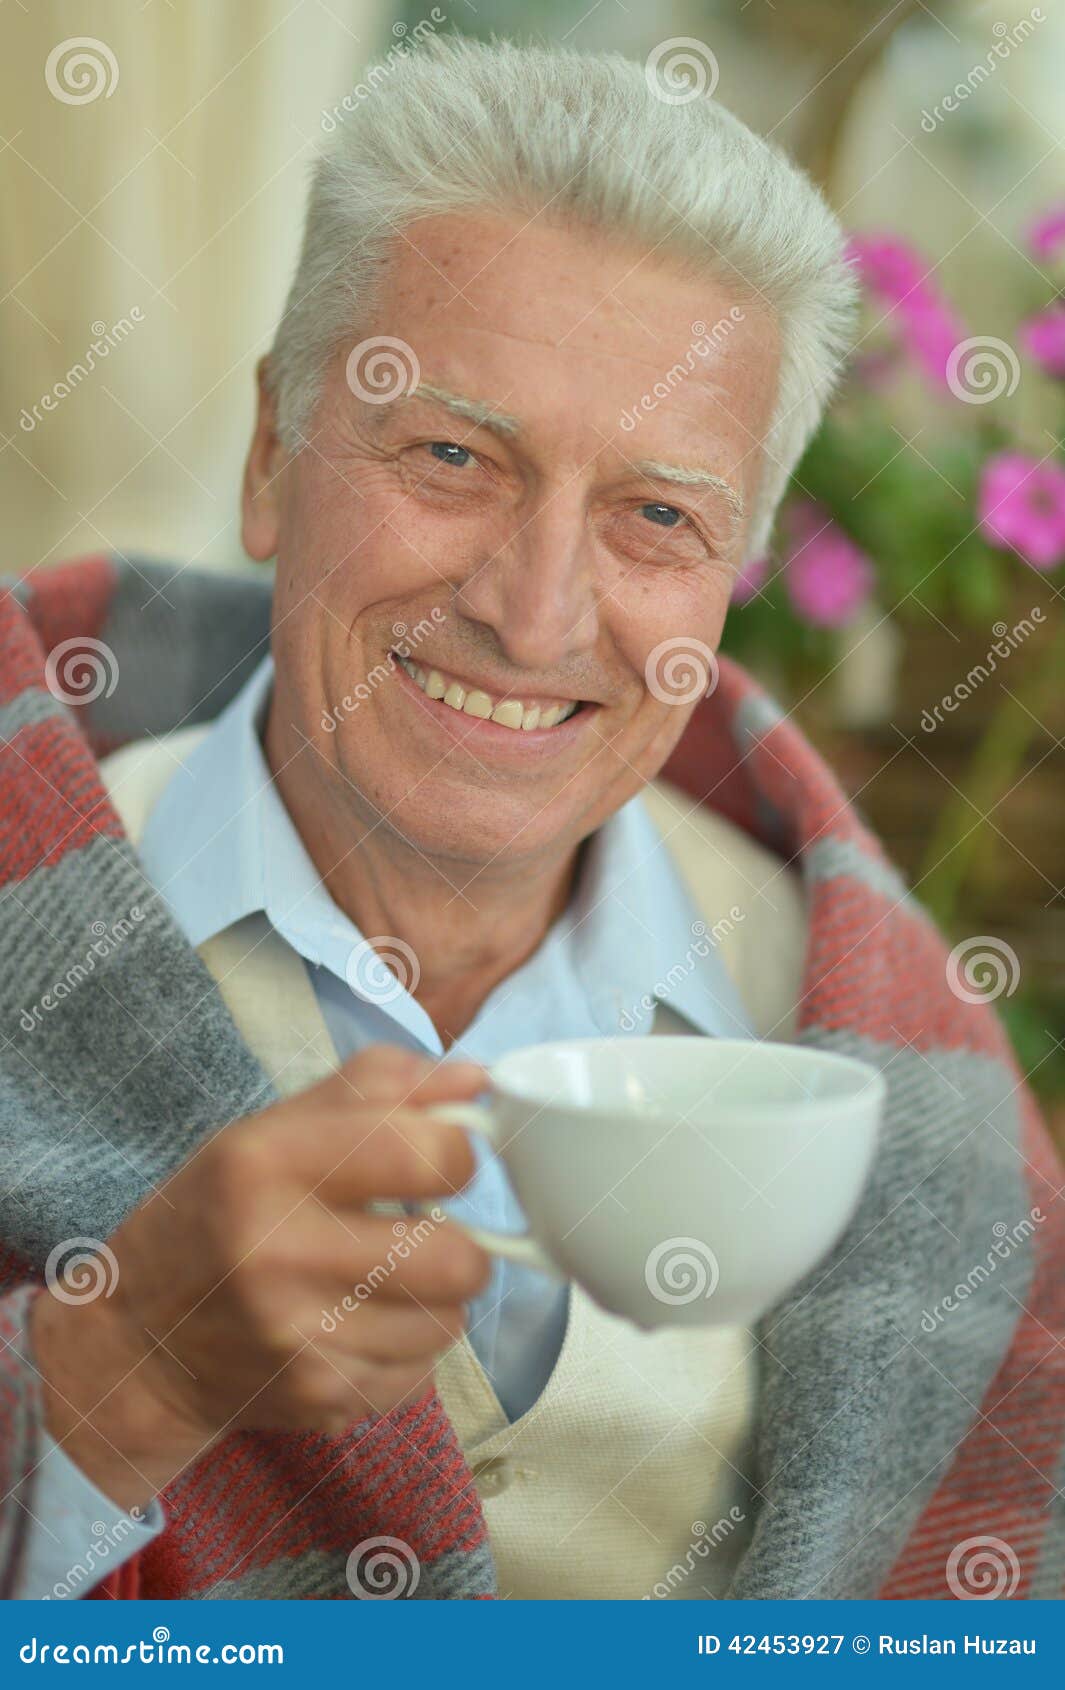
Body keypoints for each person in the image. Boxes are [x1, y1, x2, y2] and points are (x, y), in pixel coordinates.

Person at [1, 34, 1061, 1602]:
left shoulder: (889, 1052)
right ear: (273, 457)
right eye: (449, 455)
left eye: (656, 517)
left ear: (733, 575)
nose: (534, 607)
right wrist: (102, 1384)